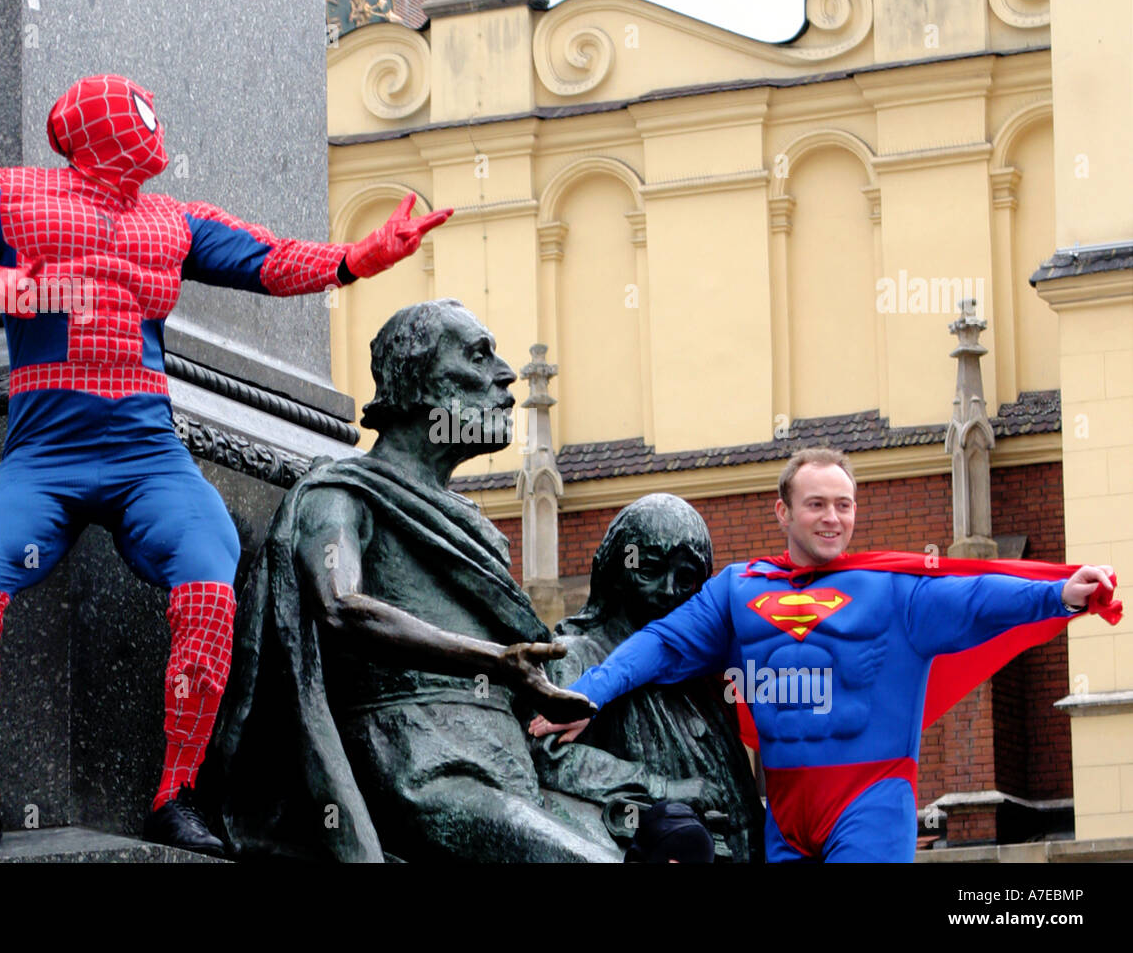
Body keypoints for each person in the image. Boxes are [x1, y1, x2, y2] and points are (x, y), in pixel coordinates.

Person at [0, 73, 450, 859]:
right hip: (44, 456)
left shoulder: (170, 220)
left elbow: (271, 259)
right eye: (133, 120)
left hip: (148, 455)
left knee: (211, 580)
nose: (149, 132)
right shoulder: (8, 195)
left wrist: (358, 258)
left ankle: (175, 795)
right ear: (91, 132)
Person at [531, 446, 1121, 862]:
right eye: (816, 504)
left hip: (870, 798)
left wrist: (1061, 594)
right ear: (783, 512)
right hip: (785, 809)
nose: (832, 517)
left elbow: (977, 598)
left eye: (844, 504)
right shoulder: (739, 588)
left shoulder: (894, 591)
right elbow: (662, 643)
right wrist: (590, 694)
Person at [218, 298, 616, 862]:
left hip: (503, 767)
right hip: (415, 764)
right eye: (479, 357)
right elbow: (340, 605)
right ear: (420, 384)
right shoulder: (341, 494)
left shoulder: (471, 522)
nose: (505, 377)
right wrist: (494, 661)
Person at [530, 494, 763, 861]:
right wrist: (664, 787)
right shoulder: (575, 655)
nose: (669, 590)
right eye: (650, 570)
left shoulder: (705, 673)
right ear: (614, 571)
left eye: (686, 578)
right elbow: (548, 755)